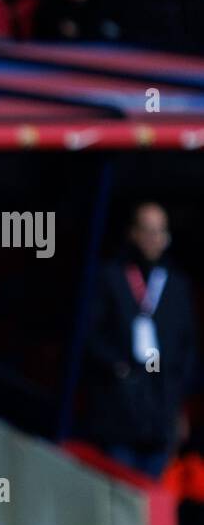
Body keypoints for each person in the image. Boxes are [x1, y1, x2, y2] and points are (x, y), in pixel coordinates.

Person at [84, 202, 197, 479]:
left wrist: (178, 405)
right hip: (120, 405)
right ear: (132, 233)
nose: (153, 239)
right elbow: (91, 334)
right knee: (120, 488)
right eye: (146, 231)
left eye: (159, 232)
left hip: (160, 408)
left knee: (151, 491)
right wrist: (117, 367)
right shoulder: (111, 278)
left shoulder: (176, 286)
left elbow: (186, 347)